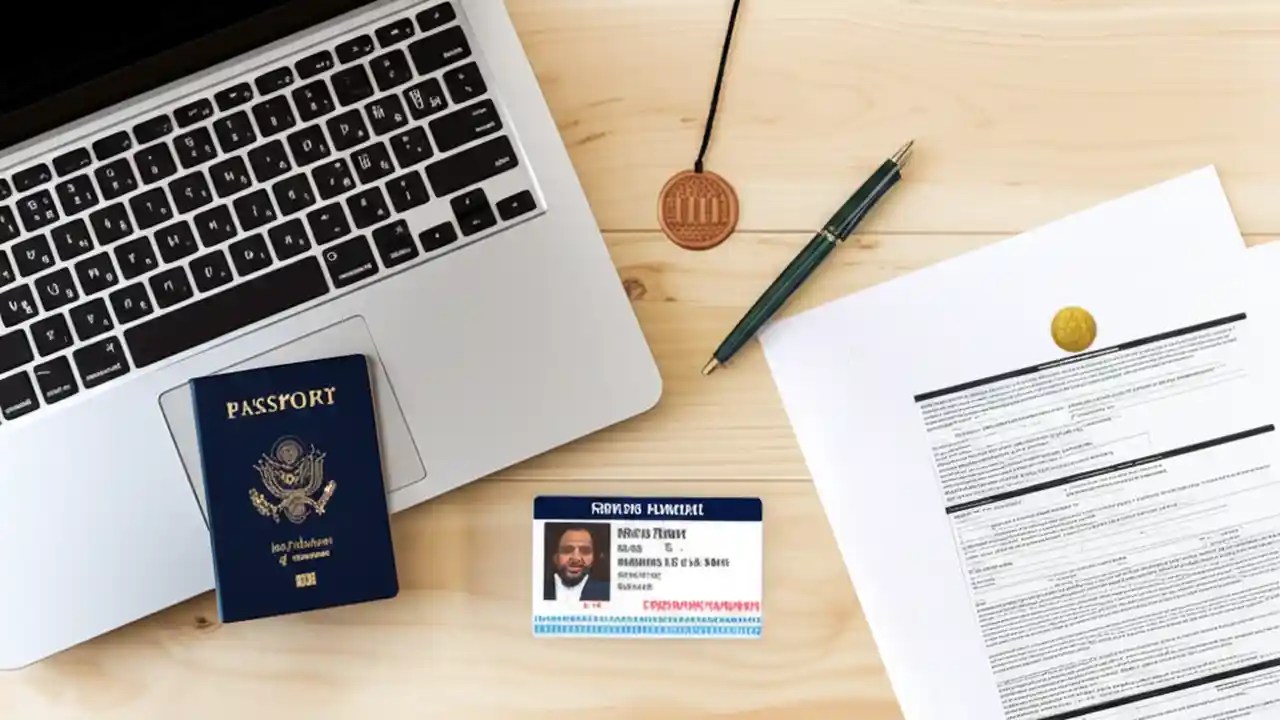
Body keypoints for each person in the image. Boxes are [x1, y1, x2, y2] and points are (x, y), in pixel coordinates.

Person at [544, 526, 610, 602]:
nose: (576, 558)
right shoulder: (537, 588)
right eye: (567, 550)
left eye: (585, 551)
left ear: (593, 558)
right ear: (555, 557)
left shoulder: (608, 592)